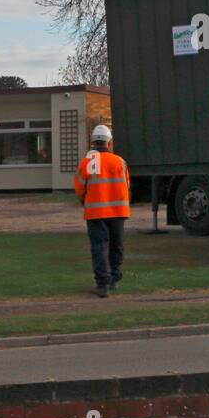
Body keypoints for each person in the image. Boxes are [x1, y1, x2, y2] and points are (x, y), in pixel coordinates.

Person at [73, 124, 130, 297]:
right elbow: (127, 185)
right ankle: (114, 278)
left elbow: (79, 187)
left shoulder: (87, 162)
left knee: (100, 247)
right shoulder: (120, 161)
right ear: (109, 142)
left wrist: (86, 200)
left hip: (96, 214)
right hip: (118, 212)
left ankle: (102, 284)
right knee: (116, 245)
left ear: (93, 142)